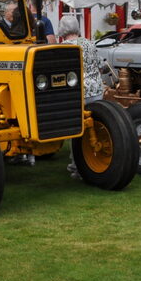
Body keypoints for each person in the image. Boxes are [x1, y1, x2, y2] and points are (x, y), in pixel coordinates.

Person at [58, 15, 114, 179]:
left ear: (62, 30)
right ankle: (92, 161)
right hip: (96, 92)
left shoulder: (62, 48)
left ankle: (77, 167)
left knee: (77, 131)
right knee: (93, 128)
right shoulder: (89, 43)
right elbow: (102, 66)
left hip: (77, 93)